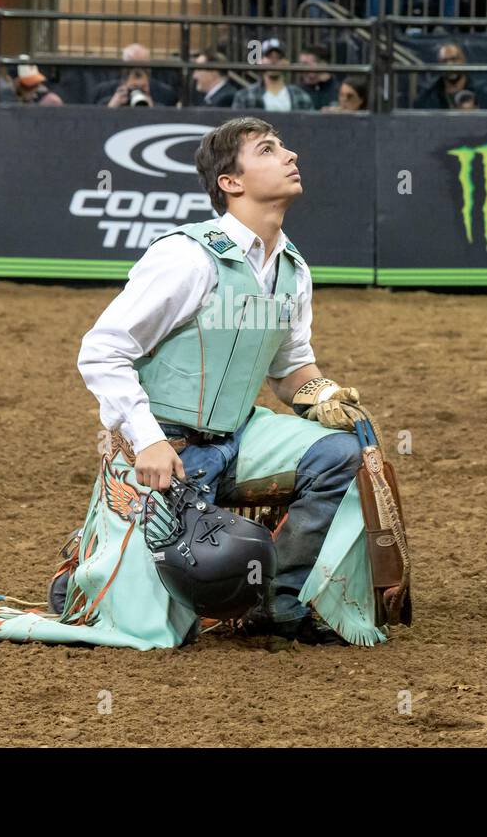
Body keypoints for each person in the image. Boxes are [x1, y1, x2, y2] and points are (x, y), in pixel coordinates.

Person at [72, 115, 394, 647]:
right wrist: (148, 438)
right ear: (231, 182)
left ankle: (279, 601)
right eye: (268, 150)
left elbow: (291, 369)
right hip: (169, 448)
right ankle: (91, 565)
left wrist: (323, 394)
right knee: (152, 625)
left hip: (242, 437)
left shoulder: (293, 268)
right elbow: (102, 350)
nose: (290, 155)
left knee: (344, 452)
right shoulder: (186, 256)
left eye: (284, 147)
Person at [232, 37, 316, 110]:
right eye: (269, 56)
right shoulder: (244, 96)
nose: (273, 61)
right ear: (260, 61)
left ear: (286, 62)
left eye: (278, 57)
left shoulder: (301, 96)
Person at [414, 41, 487, 108]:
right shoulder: (426, 97)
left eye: (454, 59)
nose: (449, 65)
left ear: (463, 61)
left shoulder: (485, 96)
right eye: (444, 61)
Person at [93, 43, 178, 107]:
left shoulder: (166, 94)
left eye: (143, 67)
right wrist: (112, 106)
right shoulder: (103, 92)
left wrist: (153, 108)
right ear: (123, 68)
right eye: (132, 67)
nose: (137, 72)